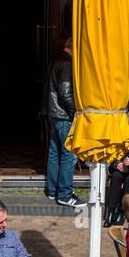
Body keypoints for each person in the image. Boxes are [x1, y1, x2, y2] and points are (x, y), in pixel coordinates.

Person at [45, 37, 83, 210]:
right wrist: (75, 112)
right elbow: (65, 92)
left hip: (53, 113)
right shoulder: (67, 63)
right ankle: (65, 194)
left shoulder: (56, 58)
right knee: (69, 154)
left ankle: (53, 190)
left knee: (55, 153)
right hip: (63, 115)